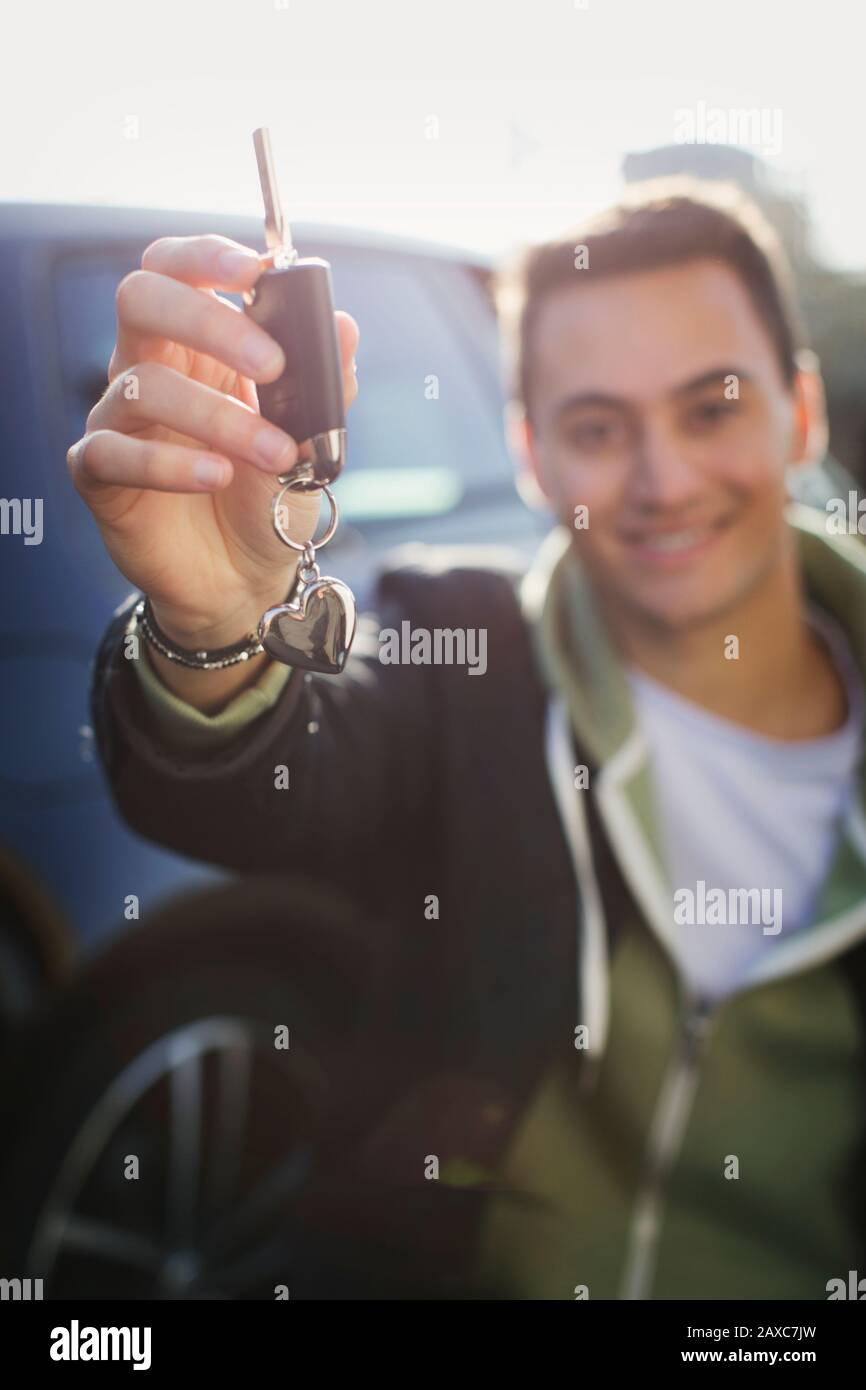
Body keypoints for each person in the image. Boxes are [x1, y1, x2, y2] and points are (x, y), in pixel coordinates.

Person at [74, 177, 866, 1300]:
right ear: (531, 455)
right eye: (596, 427)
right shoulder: (462, 649)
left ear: (798, 413)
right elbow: (247, 785)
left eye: (711, 405)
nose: (662, 480)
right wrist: (212, 626)